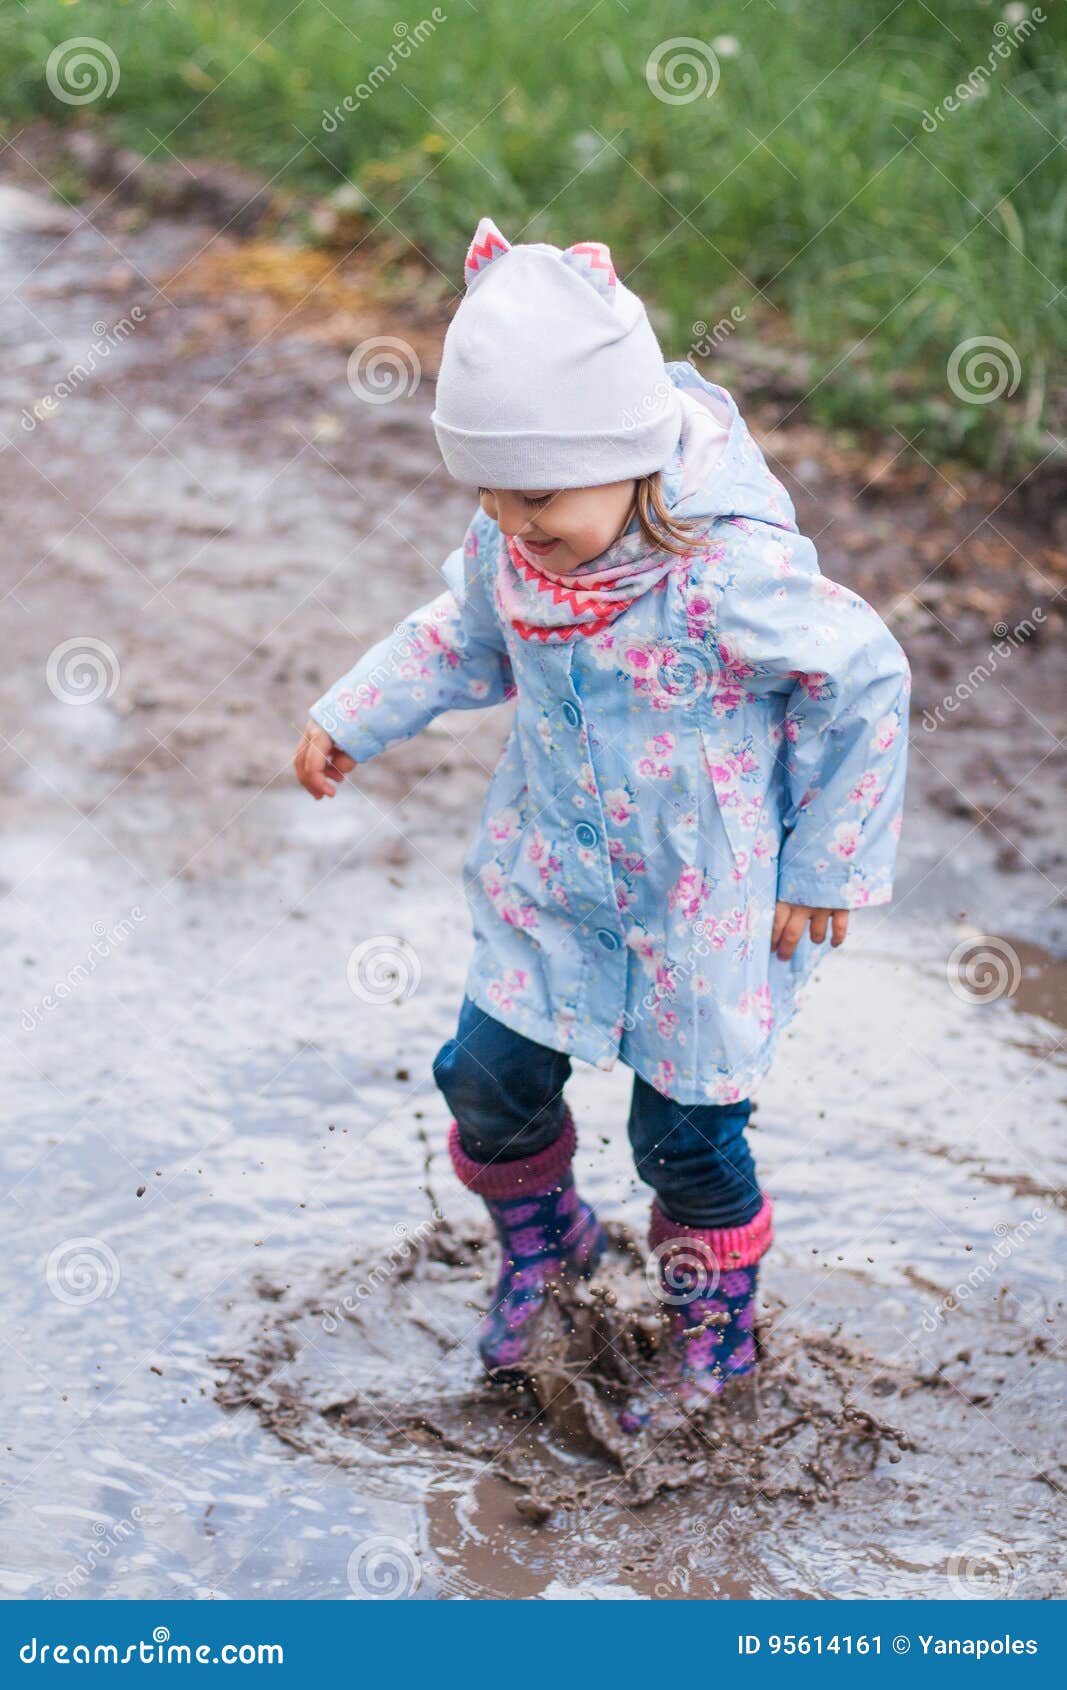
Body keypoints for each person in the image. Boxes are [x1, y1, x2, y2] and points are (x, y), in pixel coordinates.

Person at [295, 217, 910, 1427]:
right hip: (550, 879)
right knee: (483, 1074)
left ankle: (712, 1334)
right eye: (486, 493)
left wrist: (825, 856)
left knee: (682, 1139)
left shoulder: (727, 571)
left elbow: (867, 676)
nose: (511, 523)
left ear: (628, 453)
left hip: (701, 905)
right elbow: (457, 632)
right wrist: (352, 713)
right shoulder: (514, 540)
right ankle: (549, 1243)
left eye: (533, 496)